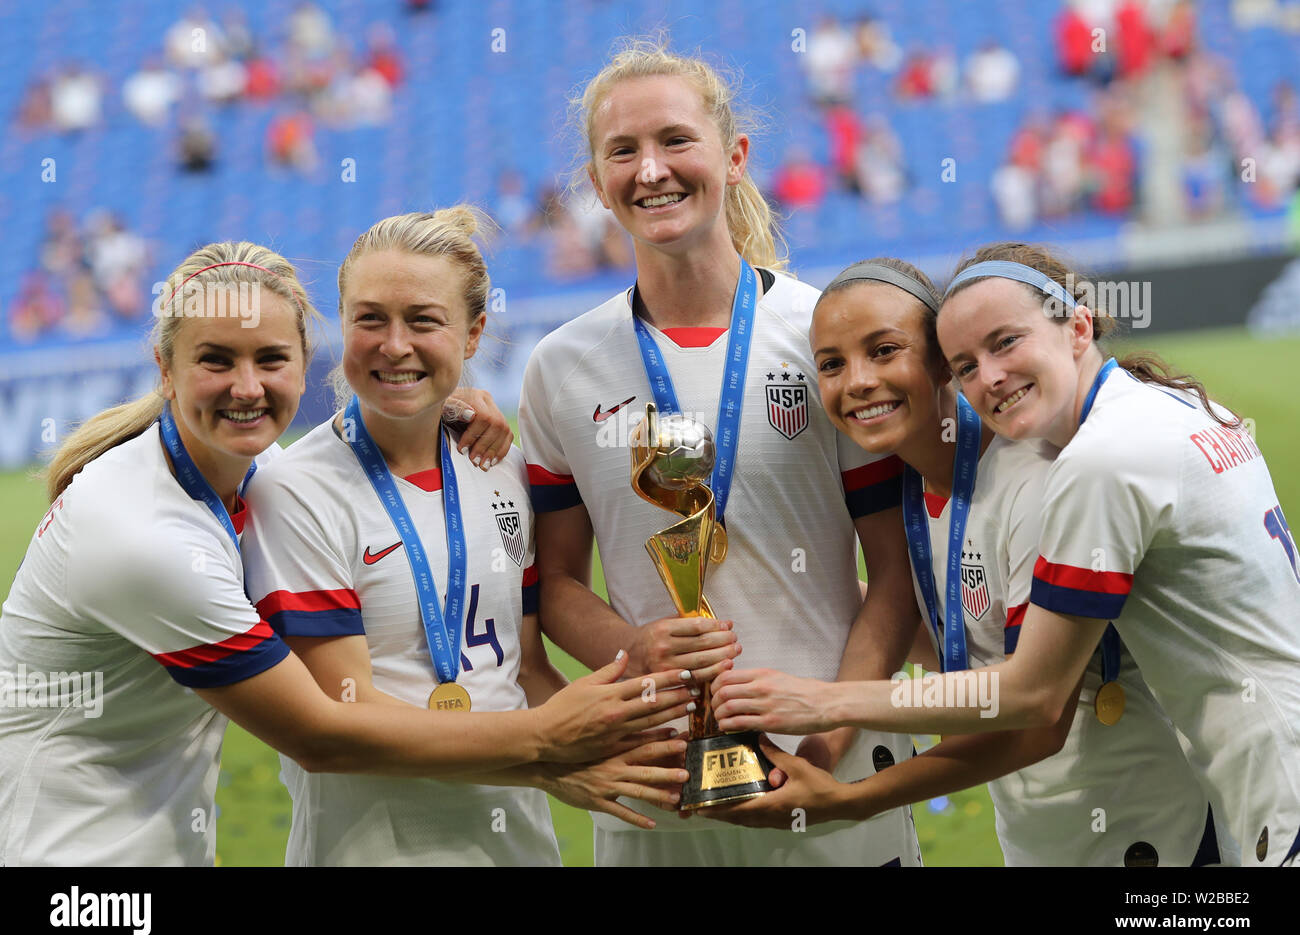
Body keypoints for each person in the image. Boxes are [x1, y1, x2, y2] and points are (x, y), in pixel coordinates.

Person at [0, 241, 693, 866]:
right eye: (215, 360)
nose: (247, 388)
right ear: (165, 368)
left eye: (270, 360)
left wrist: (434, 404)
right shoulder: (146, 537)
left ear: (305, 366)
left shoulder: (251, 468)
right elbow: (321, 733)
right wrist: (545, 748)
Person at [711, 242, 1300, 866]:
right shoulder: (927, 486)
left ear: (1078, 326)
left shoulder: (1071, 469)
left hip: (1168, 833)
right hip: (1067, 832)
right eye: (969, 362)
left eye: (885, 350)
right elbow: (975, 637)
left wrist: (829, 722)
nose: (858, 380)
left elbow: (1032, 700)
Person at [519, 38, 922, 867]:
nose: (651, 170)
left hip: (833, 772)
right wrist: (635, 653)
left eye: (675, 140)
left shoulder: (826, 336)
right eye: (622, 151)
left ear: (734, 157)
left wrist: (826, 735)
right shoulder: (561, 365)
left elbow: (895, 572)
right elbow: (554, 583)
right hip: (659, 782)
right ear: (597, 184)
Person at [239, 208, 691, 865]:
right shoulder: (294, 492)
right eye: (370, 319)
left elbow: (524, 669)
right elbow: (343, 721)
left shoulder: (501, 464)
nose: (395, 346)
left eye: (423, 320)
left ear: (474, 332)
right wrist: (542, 752)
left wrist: (625, 750)